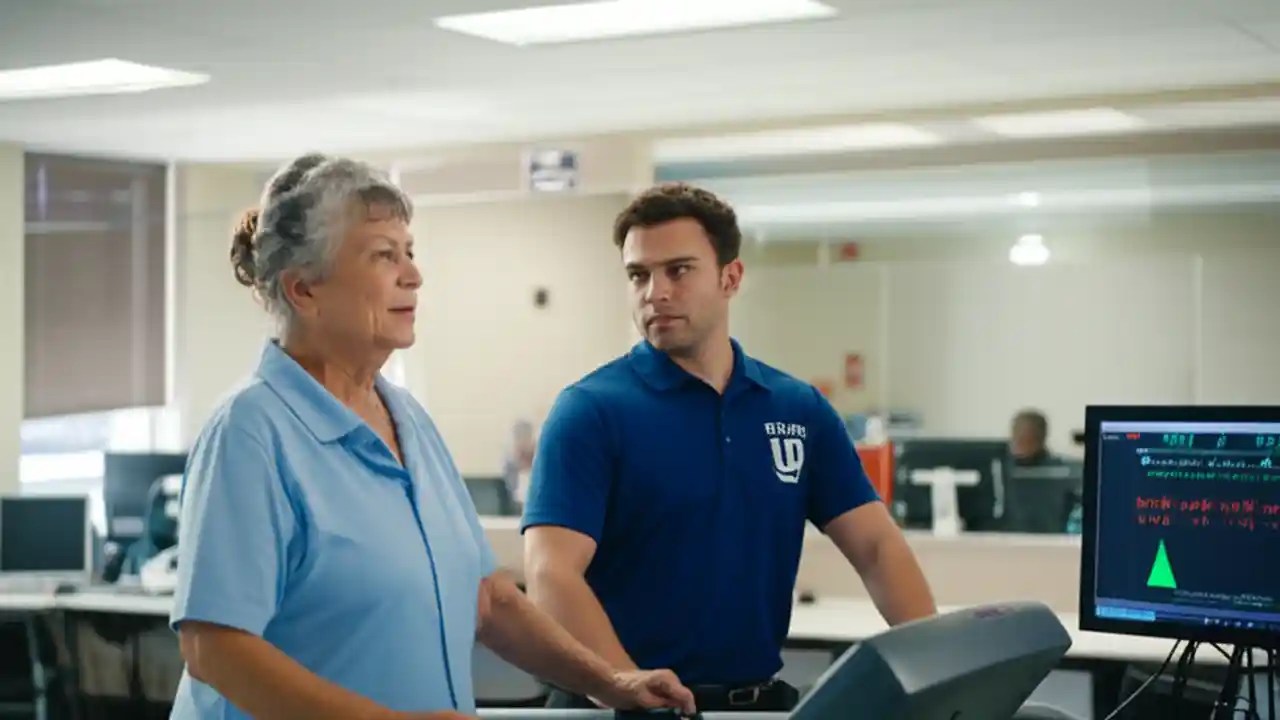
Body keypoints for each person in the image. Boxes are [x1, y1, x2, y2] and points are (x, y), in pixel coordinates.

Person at [169, 154, 696, 720]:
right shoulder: (251, 433)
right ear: (304, 290)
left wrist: (611, 682)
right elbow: (214, 649)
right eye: (383, 256)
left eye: (410, 253)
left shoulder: (408, 421)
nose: (413, 275)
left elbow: (488, 601)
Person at [520, 183, 937, 712]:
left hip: (752, 703)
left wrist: (940, 669)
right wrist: (626, 686)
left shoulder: (795, 408)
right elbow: (551, 573)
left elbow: (876, 548)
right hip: (626, 708)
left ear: (730, 277)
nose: (656, 292)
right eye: (638, 275)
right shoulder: (591, 410)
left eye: (678, 270)